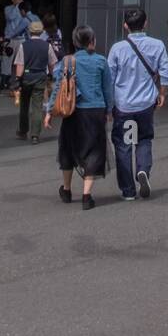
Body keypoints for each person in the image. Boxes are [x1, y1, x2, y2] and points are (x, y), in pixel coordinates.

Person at [44, 24, 113, 209]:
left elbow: (58, 87)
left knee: (67, 148)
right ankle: (86, 195)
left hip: (72, 112)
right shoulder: (101, 61)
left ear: (74, 43)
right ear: (92, 41)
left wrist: (49, 112)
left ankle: (66, 190)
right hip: (95, 111)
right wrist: (109, 111)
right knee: (94, 151)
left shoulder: (67, 61)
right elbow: (108, 89)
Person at [106, 8, 168, 202]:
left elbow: (110, 78)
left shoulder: (117, 48)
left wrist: (108, 105)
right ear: (145, 24)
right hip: (145, 104)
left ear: (125, 25)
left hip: (124, 105)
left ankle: (128, 190)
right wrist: (162, 93)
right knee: (143, 139)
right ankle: (142, 170)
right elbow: (166, 73)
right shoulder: (157, 45)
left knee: (124, 144)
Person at [13, 19, 55, 143]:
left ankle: (22, 130)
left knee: (24, 105)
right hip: (40, 77)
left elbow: (20, 64)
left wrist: (17, 79)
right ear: (41, 31)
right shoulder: (47, 46)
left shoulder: (24, 45)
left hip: (26, 77)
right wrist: (51, 76)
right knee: (37, 106)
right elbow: (52, 63)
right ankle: (35, 135)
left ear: (30, 32)